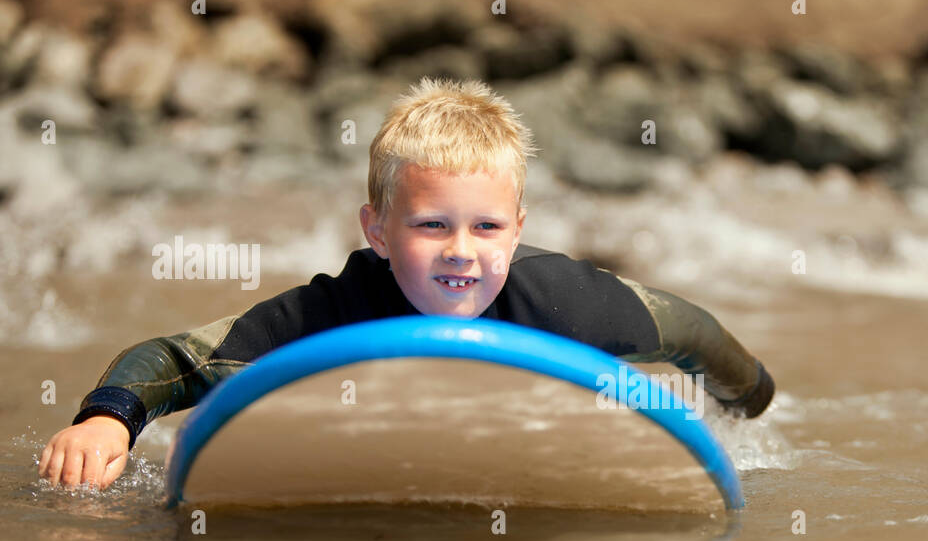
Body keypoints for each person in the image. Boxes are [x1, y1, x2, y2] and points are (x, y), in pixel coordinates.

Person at [37, 76, 775, 489]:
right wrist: (108, 420)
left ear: (518, 230)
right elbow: (176, 359)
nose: (461, 252)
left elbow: (694, 334)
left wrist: (751, 410)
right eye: (430, 227)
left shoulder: (567, 302)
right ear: (377, 230)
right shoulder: (333, 313)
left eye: (486, 228)